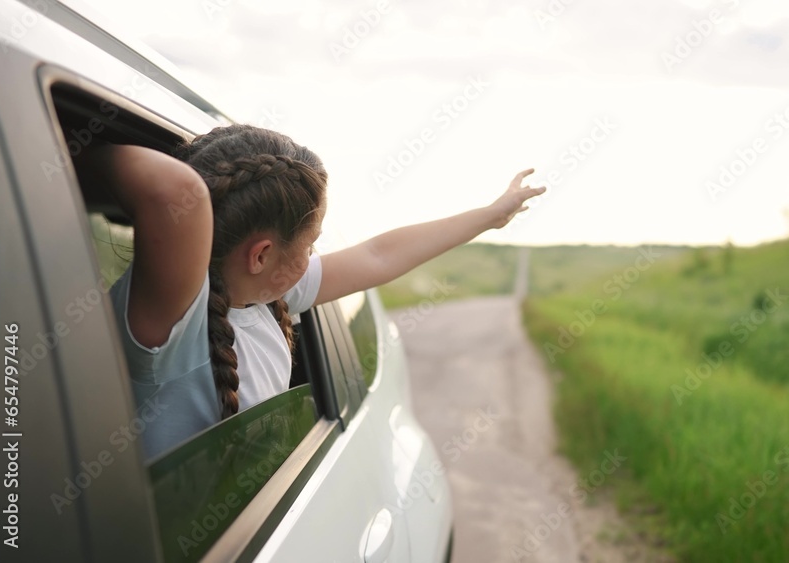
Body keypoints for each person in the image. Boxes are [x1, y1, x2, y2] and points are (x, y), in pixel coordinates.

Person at [81, 124, 545, 459]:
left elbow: (379, 256)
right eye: (310, 243)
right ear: (262, 255)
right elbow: (174, 190)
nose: (315, 254)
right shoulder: (177, 321)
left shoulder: (260, 297)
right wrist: (70, 151)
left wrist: (490, 216)